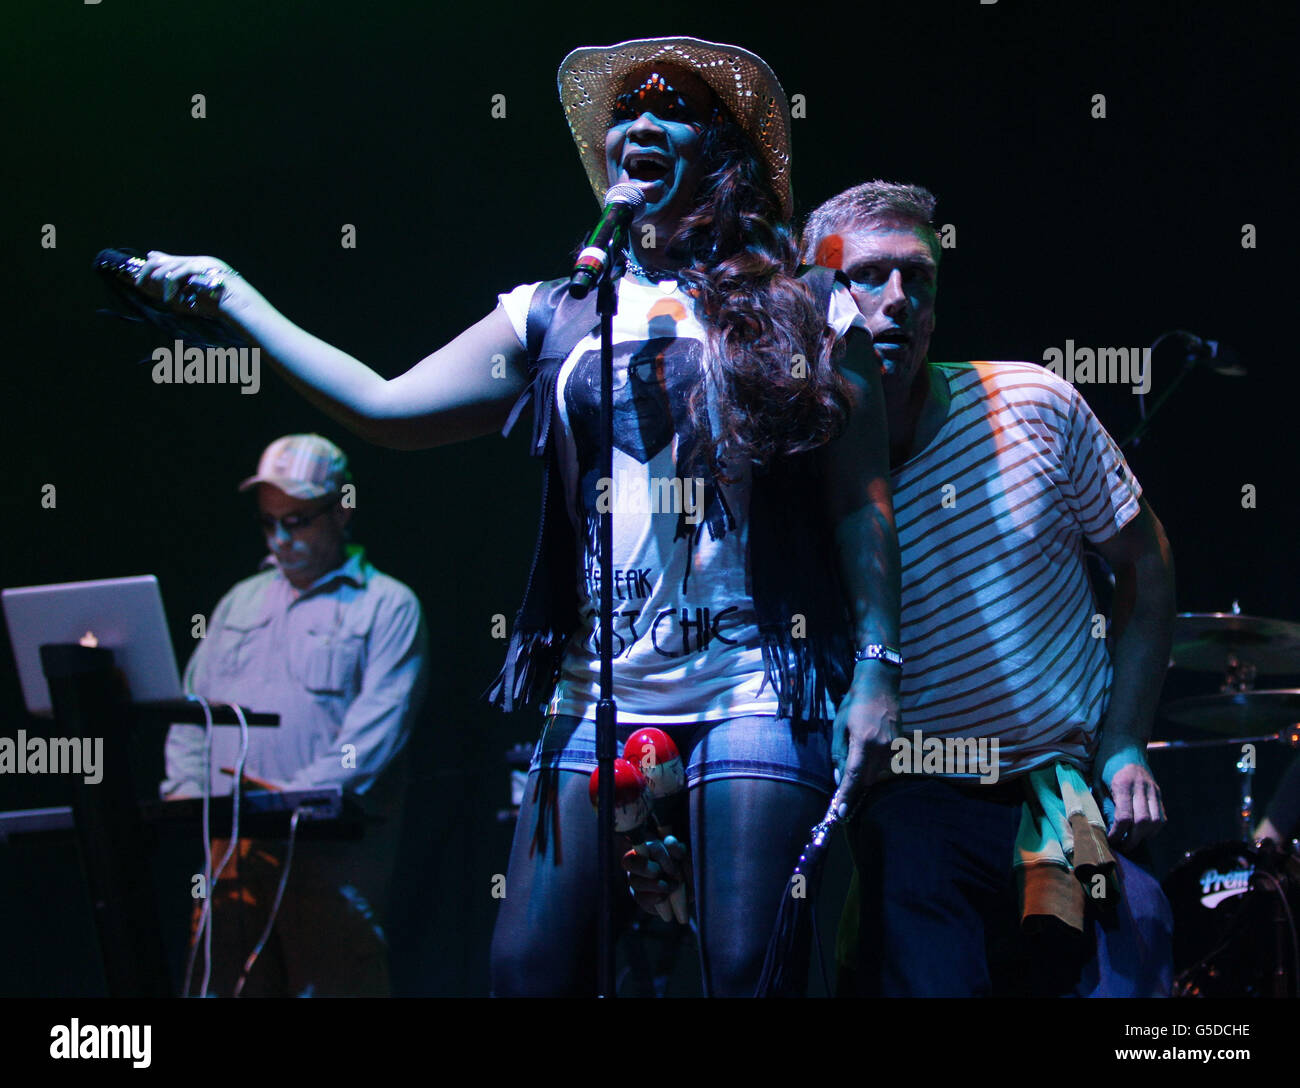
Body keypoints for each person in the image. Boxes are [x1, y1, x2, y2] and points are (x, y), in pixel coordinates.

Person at [131, 37, 900, 998]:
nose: (640, 124)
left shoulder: (806, 305)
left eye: (673, 109)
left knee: (750, 965)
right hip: (594, 690)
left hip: (751, 684)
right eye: (626, 112)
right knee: (528, 971)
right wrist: (238, 298)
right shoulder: (557, 310)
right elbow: (385, 408)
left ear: (723, 154)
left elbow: (860, 502)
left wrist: (876, 665)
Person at [801, 181, 1176, 997]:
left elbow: (1147, 567)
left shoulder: (1034, 401)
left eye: (921, 278)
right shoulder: (798, 462)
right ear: (813, 293)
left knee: (1133, 940)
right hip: (917, 796)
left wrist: (1122, 743)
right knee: (915, 942)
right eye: (870, 276)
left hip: (1062, 786)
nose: (899, 300)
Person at [161, 433, 428, 996]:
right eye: (269, 522)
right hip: (231, 855)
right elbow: (191, 713)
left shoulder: (388, 606)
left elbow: (374, 738)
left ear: (342, 510)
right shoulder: (239, 601)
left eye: (298, 520)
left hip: (330, 863)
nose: (281, 539)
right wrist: (188, 793)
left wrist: (281, 804)